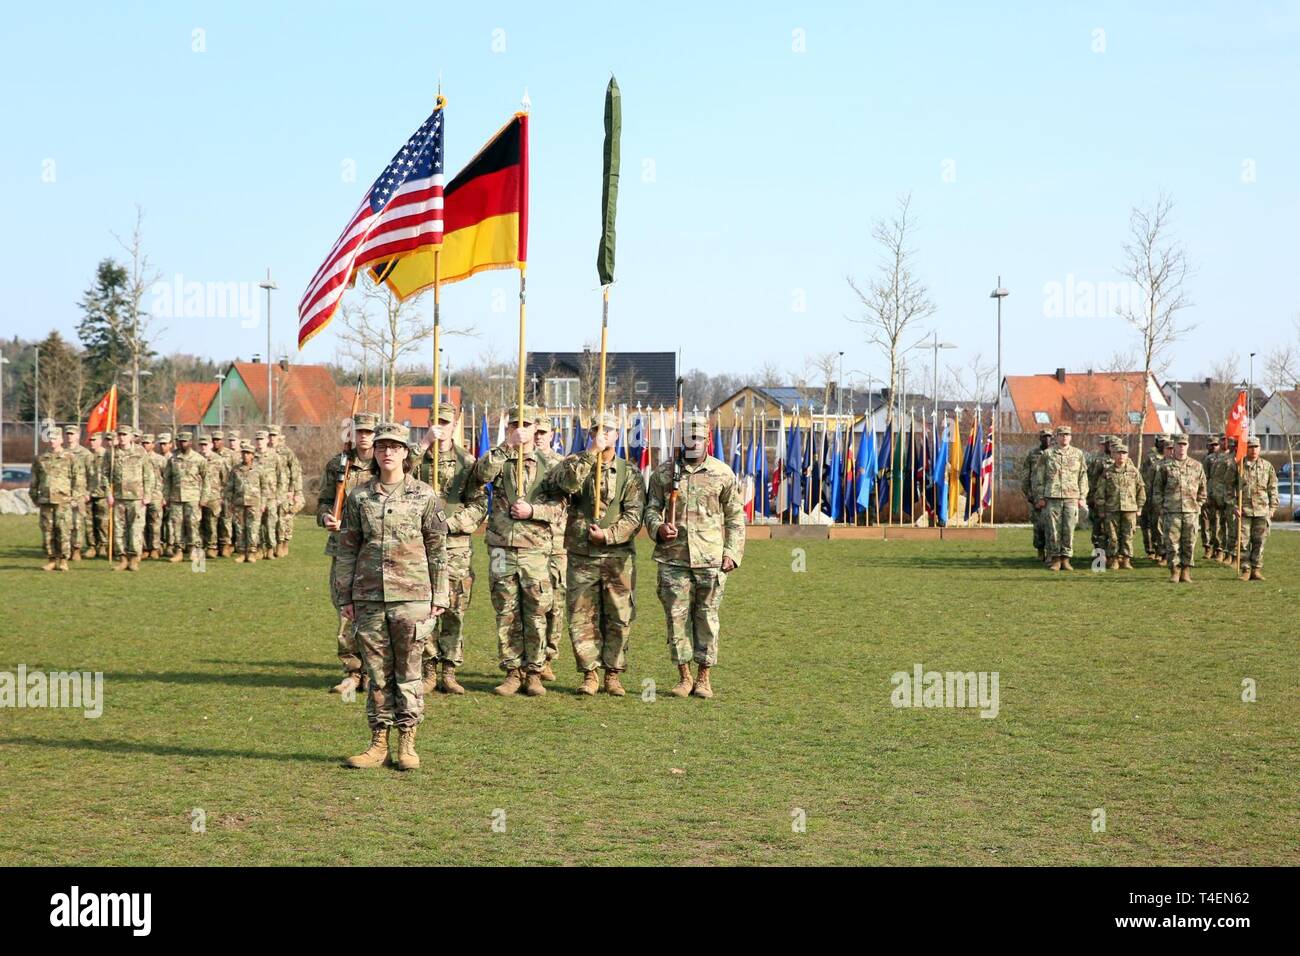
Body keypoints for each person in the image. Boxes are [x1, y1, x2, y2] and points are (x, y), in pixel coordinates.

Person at [333, 422, 450, 771]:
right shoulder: (359, 497)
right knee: (377, 673)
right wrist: (346, 595)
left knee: (410, 671)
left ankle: (408, 743)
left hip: (413, 597)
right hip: (369, 596)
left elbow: (437, 548)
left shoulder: (424, 495)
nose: (387, 452)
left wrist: (439, 594)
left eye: (395, 446)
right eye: (382, 446)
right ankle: (378, 743)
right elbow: (347, 549)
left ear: (405, 453)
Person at [643, 412, 745, 699]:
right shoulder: (664, 474)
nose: (694, 443)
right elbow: (650, 510)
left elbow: (735, 517)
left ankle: (704, 677)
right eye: (689, 437)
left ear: (707, 439)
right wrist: (659, 528)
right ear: (681, 440)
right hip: (673, 559)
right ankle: (684, 677)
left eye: (699, 437)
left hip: (710, 560)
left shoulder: (722, 473)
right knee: (676, 620)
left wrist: (732, 553)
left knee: (706, 619)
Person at [473, 404, 569, 697]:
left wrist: (533, 511)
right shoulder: (500, 458)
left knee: (536, 610)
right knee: (506, 610)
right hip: (502, 546)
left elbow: (561, 506)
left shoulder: (551, 465)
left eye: (526, 424)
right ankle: (512, 671)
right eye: (515, 424)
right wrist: (505, 448)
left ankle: (535, 671)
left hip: (535, 548)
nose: (521, 429)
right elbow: (479, 476)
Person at [552, 413, 647, 696]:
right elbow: (562, 486)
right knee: (582, 615)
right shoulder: (574, 463)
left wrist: (608, 535)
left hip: (617, 556)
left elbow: (635, 514)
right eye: (597, 430)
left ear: (617, 435)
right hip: (582, 554)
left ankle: (613, 674)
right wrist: (590, 454)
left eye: (609, 430)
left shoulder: (629, 472)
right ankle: (589, 673)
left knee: (619, 615)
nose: (603, 434)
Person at [412, 405, 487, 696]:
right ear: (429, 422)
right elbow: (397, 472)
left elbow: (479, 505)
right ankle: (429, 667)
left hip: (455, 547)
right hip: (420, 547)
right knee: (424, 608)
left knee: (454, 609)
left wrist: (452, 523)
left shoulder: (467, 463)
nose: (441, 426)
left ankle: (449, 669)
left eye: (446, 422)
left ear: (455, 424)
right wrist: (423, 444)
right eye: (436, 421)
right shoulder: (417, 459)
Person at [319, 413, 378, 694]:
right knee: (345, 608)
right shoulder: (338, 464)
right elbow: (323, 501)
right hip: (343, 547)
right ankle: (353, 672)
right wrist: (325, 517)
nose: (364, 436)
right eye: (359, 431)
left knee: (375, 611)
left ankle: (374, 670)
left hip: (374, 547)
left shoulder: (385, 464)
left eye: (369, 431)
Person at [533, 416, 568, 681]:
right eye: (533, 431)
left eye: (542, 431)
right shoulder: (516, 463)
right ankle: (527, 658)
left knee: (555, 604)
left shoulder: (561, 465)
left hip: (556, 544)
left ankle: (547, 658)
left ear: (552, 433)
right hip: (527, 546)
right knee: (530, 605)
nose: (537, 436)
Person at [1151, 433, 1206, 583]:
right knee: (1172, 543)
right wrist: (1161, 507)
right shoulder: (1164, 466)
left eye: (1184, 444)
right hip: (1171, 511)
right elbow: (1157, 490)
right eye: (1179, 445)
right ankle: (1174, 571)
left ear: (1188, 446)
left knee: (1189, 543)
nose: (1182, 447)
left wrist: (1198, 505)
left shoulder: (1196, 466)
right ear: (1173, 446)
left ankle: (1186, 571)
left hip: (1191, 512)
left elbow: (1203, 490)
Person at [1032, 425, 1088, 571]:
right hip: (1052, 496)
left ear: (1071, 437)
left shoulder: (1078, 454)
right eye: (1061, 435)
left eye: (1067, 435)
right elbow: (1039, 477)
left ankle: (1066, 559)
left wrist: (1082, 496)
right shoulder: (1048, 454)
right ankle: (1055, 559)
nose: (1064, 437)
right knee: (1053, 529)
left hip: (1071, 497)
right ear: (1056, 437)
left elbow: (1083, 477)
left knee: (1069, 529)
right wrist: (1040, 496)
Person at [1228, 436, 1278, 581]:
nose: (1253, 450)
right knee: (1243, 541)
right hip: (1244, 511)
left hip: (1262, 511)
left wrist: (1273, 508)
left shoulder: (1267, 466)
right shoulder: (1238, 466)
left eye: (1256, 447)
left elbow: (1273, 488)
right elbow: (1228, 488)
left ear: (1260, 448)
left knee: (1259, 541)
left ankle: (1256, 569)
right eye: (1250, 447)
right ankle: (1245, 569)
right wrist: (1234, 506)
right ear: (1246, 448)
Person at [30, 427, 79, 571]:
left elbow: (78, 478)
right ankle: (51, 559)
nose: (52, 441)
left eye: (55, 438)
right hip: (46, 500)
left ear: (61, 440)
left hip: (64, 500)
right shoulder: (40, 458)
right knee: (47, 531)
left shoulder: (70, 458)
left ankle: (63, 559)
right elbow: (34, 480)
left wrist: (75, 497)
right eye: (50, 438)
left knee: (63, 530)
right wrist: (34, 496)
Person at [108, 426, 155, 571]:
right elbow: (104, 474)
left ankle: (134, 558)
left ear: (130, 437)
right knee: (119, 529)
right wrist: (108, 494)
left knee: (136, 529)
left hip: (136, 497)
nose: (122, 437)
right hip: (118, 497)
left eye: (124, 435)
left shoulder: (140, 451)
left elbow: (148, 474)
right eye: (120, 434)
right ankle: (122, 558)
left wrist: (147, 495)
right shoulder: (112, 453)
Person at [1095, 442, 1144, 569]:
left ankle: (1126, 559)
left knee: (1128, 535)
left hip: (1130, 509)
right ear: (1113, 455)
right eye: (1118, 453)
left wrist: (1139, 507)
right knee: (1113, 536)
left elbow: (1141, 490)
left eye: (1124, 453)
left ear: (1127, 455)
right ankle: (1114, 559)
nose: (1121, 456)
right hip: (1112, 509)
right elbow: (1100, 492)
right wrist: (1101, 508)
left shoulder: (1134, 472)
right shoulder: (1108, 472)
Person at [163, 431, 208, 563]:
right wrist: (166, 496)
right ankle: (178, 551)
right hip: (176, 497)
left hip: (193, 497)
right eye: (180, 441)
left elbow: (207, 480)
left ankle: (194, 551)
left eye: (184, 441)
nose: (182, 444)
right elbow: (167, 479)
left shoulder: (199, 459)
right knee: (176, 525)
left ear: (190, 442)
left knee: (192, 524)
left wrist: (204, 498)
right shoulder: (172, 459)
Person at [226, 441, 271, 562]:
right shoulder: (235, 470)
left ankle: (251, 552)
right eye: (244, 453)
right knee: (240, 528)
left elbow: (265, 488)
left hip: (254, 503)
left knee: (253, 529)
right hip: (239, 503)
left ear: (252, 455)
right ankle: (241, 553)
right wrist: (229, 502)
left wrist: (263, 504)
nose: (245, 455)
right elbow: (230, 487)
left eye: (248, 453)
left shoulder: (259, 469)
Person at [269, 425, 303, 558]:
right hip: (271, 490)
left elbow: (296, 471)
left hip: (285, 490)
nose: (272, 439)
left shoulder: (286, 452)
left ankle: (284, 543)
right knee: (272, 518)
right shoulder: (265, 452)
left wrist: (294, 491)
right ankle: (272, 544)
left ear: (279, 437)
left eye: (274, 436)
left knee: (285, 517)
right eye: (270, 436)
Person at [1020, 428, 1052, 562]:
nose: (1047, 439)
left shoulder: (1055, 453)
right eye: (1044, 437)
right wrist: (1028, 493)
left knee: (1052, 526)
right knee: (1038, 526)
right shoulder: (1032, 454)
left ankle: (1052, 552)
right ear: (1040, 438)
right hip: (1036, 496)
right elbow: (1025, 475)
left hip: (1052, 495)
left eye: (1049, 437)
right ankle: (1040, 551)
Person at [64, 425, 94, 562]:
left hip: (79, 493)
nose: (69, 436)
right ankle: (66, 549)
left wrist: (88, 491)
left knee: (77, 522)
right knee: (64, 523)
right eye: (68, 434)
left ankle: (76, 549)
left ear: (78, 435)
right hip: (64, 493)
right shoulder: (61, 453)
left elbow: (92, 475)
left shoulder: (85, 454)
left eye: (72, 434)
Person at [198, 433, 229, 558]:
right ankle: (199, 546)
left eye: (205, 445)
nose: (203, 447)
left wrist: (222, 495)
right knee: (198, 522)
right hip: (197, 495)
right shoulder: (196, 459)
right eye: (201, 445)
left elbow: (225, 479)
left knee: (212, 522)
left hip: (213, 496)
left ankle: (212, 547)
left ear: (210, 445)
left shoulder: (219, 460)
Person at [253, 430, 282, 560]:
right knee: (257, 524)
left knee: (270, 523)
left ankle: (271, 548)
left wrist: (279, 496)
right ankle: (259, 548)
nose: (259, 442)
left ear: (266, 440)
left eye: (262, 439)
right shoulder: (252, 456)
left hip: (271, 495)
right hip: (256, 496)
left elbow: (281, 477)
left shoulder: (274, 456)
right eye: (257, 439)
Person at [1140, 435, 1168, 563]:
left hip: (1166, 498)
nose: (1163, 444)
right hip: (1150, 496)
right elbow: (1143, 477)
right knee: (1151, 525)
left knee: (1162, 526)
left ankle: (1163, 552)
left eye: (1165, 442)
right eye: (1161, 442)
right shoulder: (1150, 458)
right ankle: (1152, 550)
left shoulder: (1172, 458)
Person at [1085, 434, 1114, 559]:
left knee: (1111, 528)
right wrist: (1091, 498)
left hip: (1114, 500)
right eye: (1108, 444)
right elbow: (1091, 480)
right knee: (1099, 527)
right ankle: (1099, 554)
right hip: (1099, 499)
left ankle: (1113, 554)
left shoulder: (1121, 460)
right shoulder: (1098, 460)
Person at [85, 431, 113, 558]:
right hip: (89, 494)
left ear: (100, 441)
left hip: (102, 493)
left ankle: (103, 545)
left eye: (94, 440)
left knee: (102, 522)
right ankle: (92, 546)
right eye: (90, 440)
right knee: (89, 522)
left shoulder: (106, 455)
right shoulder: (87, 456)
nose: (92, 442)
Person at [1200, 435, 1223, 560]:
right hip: (1206, 495)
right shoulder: (1205, 459)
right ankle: (1207, 547)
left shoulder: (1221, 459)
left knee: (1218, 523)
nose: (1213, 447)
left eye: (1216, 444)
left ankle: (1218, 549)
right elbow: (1203, 479)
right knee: (1205, 523)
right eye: (1211, 445)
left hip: (1218, 495)